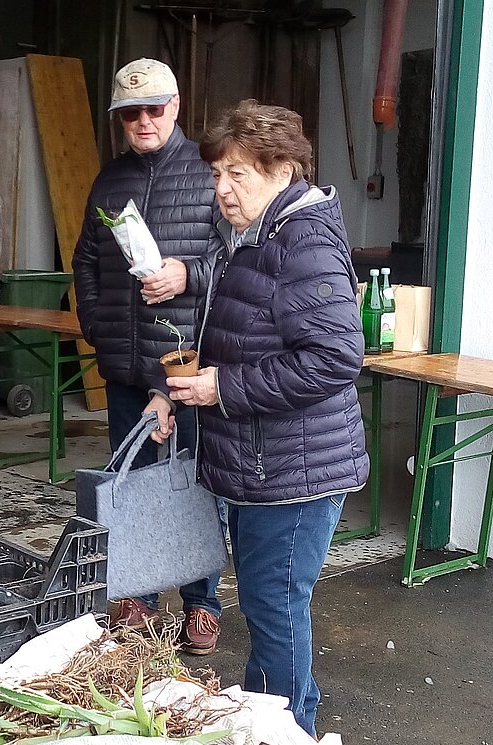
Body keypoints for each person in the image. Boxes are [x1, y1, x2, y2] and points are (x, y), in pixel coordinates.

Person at [145, 99, 369, 737]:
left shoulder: (304, 243)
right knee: (275, 610)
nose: (222, 189)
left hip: (295, 472)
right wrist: (177, 388)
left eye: (237, 174)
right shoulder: (256, 235)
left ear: (283, 171)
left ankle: (279, 727)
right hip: (259, 460)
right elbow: (233, 322)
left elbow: (334, 359)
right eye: (218, 173)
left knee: (275, 611)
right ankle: (289, 719)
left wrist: (224, 389)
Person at [72, 57, 223, 654]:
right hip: (128, 367)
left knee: (191, 486)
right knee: (132, 481)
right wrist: (96, 323)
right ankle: (138, 595)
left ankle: (201, 605)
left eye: (153, 108)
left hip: (188, 366)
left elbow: (238, 265)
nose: (142, 120)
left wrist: (187, 274)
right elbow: (86, 259)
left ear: (176, 107)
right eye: (129, 112)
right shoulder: (109, 181)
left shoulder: (209, 175)